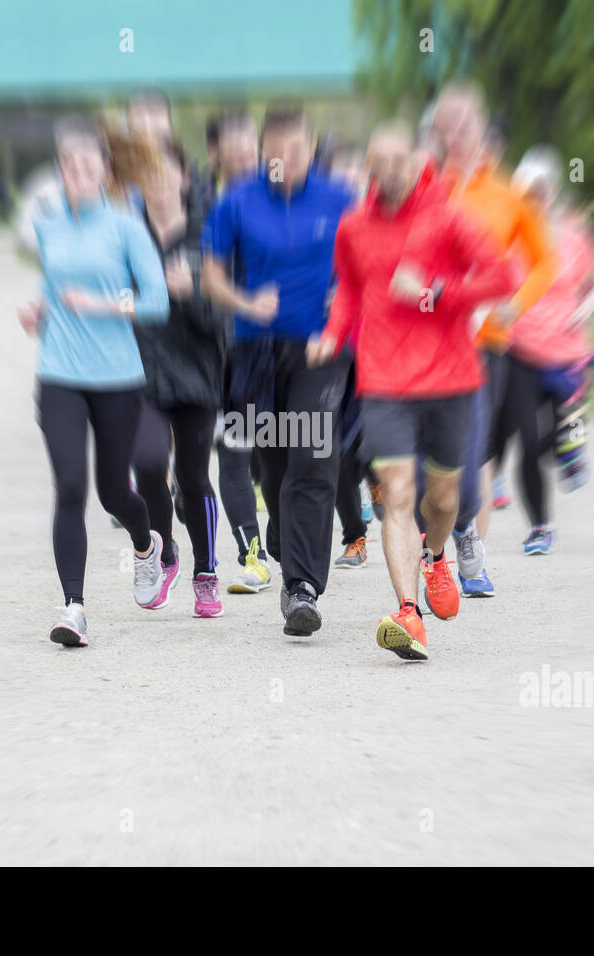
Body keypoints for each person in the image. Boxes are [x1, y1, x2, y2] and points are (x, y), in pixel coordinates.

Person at [310, 122, 516, 661]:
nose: (389, 175)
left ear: (416, 163)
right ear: (370, 170)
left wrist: (434, 290)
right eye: (378, 165)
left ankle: (437, 555)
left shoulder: (447, 216)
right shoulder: (353, 227)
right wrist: (332, 336)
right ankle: (408, 613)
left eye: (399, 163)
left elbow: (501, 277)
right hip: (384, 381)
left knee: (444, 499)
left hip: (450, 378)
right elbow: (349, 293)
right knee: (397, 495)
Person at [15, 115, 171, 647]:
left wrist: (104, 305)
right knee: (71, 487)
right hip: (59, 372)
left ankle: (146, 545)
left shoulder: (127, 225)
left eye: (88, 164)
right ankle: (74, 608)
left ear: (104, 170)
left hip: (117, 377)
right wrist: (38, 310)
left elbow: (157, 301)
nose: (77, 172)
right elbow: (53, 286)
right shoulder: (50, 226)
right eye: (68, 165)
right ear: (60, 172)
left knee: (111, 492)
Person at [203, 105, 357, 636]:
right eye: (276, 151)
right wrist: (244, 303)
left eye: (296, 150)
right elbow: (211, 277)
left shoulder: (339, 200)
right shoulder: (236, 201)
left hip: (320, 349)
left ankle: (301, 588)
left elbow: (367, 263)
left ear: (311, 147)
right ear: (263, 151)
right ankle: (284, 537)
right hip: (257, 352)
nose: (285, 160)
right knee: (272, 465)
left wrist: (347, 297)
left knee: (313, 454)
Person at [425, 81, 556, 592]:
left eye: (467, 124)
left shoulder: (507, 196)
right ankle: (435, 549)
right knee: (427, 457)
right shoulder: (419, 188)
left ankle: (466, 548)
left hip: (484, 344)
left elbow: (545, 261)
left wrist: (517, 302)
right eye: (447, 125)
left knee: (473, 450)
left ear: (483, 130)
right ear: (433, 130)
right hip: (425, 343)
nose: (457, 134)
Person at [497, 145, 594, 552]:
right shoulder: (509, 239)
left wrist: (585, 309)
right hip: (521, 351)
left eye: (542, 188)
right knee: (528, 441)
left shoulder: (575, 237)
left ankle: (569, 453)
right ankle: (540, 527)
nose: (536, 196)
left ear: (554, 190)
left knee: (559, 438)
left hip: (568, 354)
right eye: (529, 189)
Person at [130, 142, 227, 615]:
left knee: (192, 475)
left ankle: (206, 572)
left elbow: (224, 315)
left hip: (196, 372)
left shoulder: (210, 234)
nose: (159, 186)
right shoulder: (127, 235)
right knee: (147, 463)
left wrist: (192, 294)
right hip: (140, 372)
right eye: (149, 177)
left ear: (186, 177)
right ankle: (164, 553)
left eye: (167, 175)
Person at [203, 110, 275, 594]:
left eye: (252, 150)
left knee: (274, 453)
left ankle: (288, 544)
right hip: (215, 347)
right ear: (216, 156)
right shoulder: (202, 208)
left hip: (268, 345)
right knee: (233, 451)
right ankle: (253, 553)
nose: (246, 158)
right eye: (236, 152)